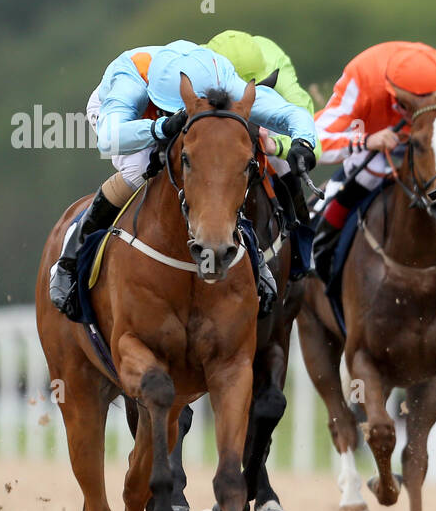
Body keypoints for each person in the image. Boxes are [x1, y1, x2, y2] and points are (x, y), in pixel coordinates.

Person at [48, 40, 317, 320]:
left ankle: (253, 257)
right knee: (140, 167)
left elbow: (288, 113)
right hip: (130, 116)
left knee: (216, 169)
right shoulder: (129, 80)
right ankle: (70, 257)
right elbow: (109, 139)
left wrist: (303, 142)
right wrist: (161, 126)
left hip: (192, 109)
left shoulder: (222, 77)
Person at [309, 41, 436, 280]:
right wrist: (366, 142)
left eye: (429, 101)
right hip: (375, 148)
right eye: (407, 106)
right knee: (365, 175)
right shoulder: (362, 75)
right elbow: (311, 140)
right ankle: (319, 254)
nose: (416, 114)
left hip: (432, 161)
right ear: (390, 91)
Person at [205, 29, 320, 225]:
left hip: (267, 125)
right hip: (214, 115)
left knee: (281, 162)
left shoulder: (278, 69)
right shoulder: (195, 69)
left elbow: (313, 143)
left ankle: (302, 239)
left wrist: (276, 146)